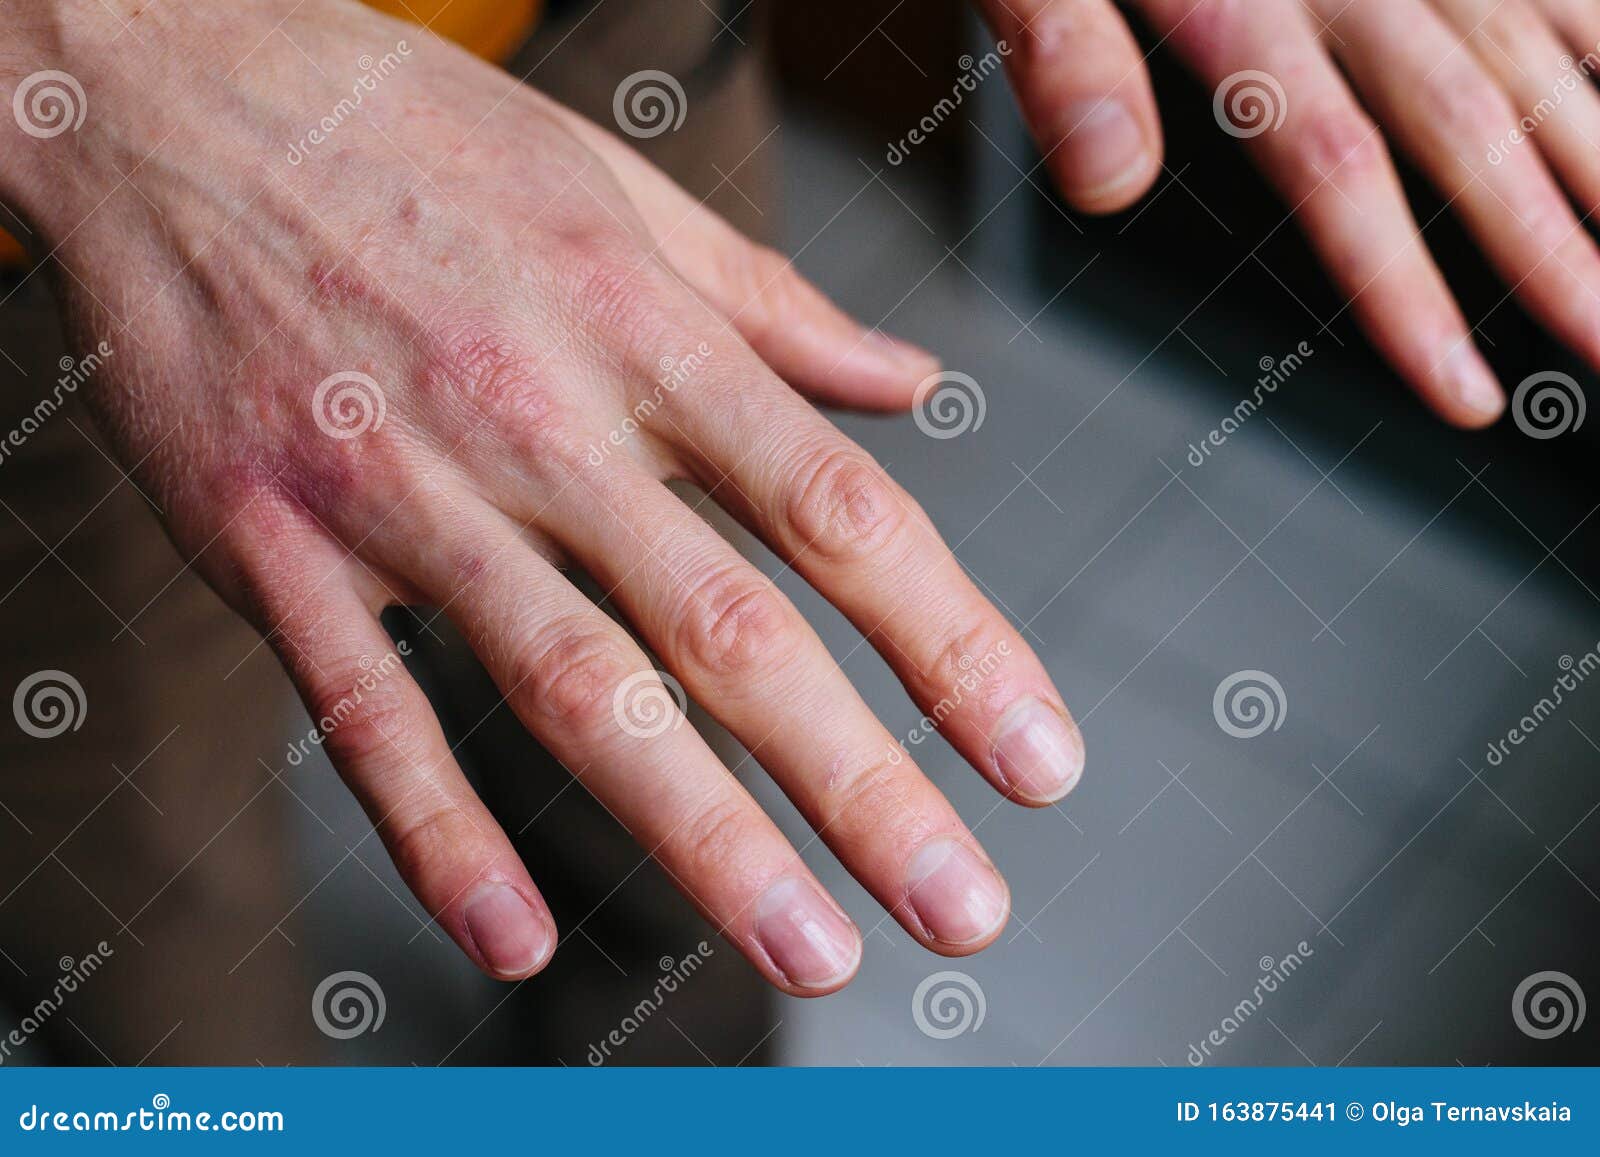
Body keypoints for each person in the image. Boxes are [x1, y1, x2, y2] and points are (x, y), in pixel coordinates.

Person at [1, 0, 1594, 1064]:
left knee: (668, 792)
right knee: (149, 943)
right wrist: (89, 60)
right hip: (65, 228)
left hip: (604, 34)